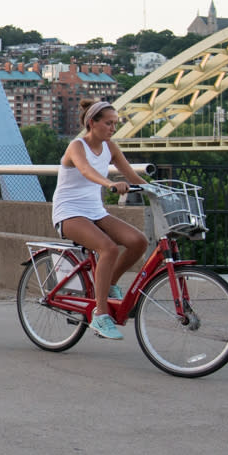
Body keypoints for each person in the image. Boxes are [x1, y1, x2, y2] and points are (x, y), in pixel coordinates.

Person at [52, 98, 148, 340]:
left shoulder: (110, 147)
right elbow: (86, 170)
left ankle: (109, 282)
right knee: (108, 248)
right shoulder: (77, 146)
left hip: (95, 211)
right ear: (92, 123)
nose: (112, 129)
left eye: (115, 124)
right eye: (108, 123)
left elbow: (132, 175)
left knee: (138, 241)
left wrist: (162, 191)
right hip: (70, 212)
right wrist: (110, 184)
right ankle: (100, 314)